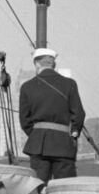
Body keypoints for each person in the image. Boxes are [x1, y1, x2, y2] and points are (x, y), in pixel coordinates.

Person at [18, 47, 85, 183]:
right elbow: (79, 114)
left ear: (37, 64)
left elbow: (24, 120)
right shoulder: (70, 84)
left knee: (38, 188)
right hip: (64, 145)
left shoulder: (27, 87)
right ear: (53, 65)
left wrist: (37, 134)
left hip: (38, 146)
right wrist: (73, 133)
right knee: (66, 189)